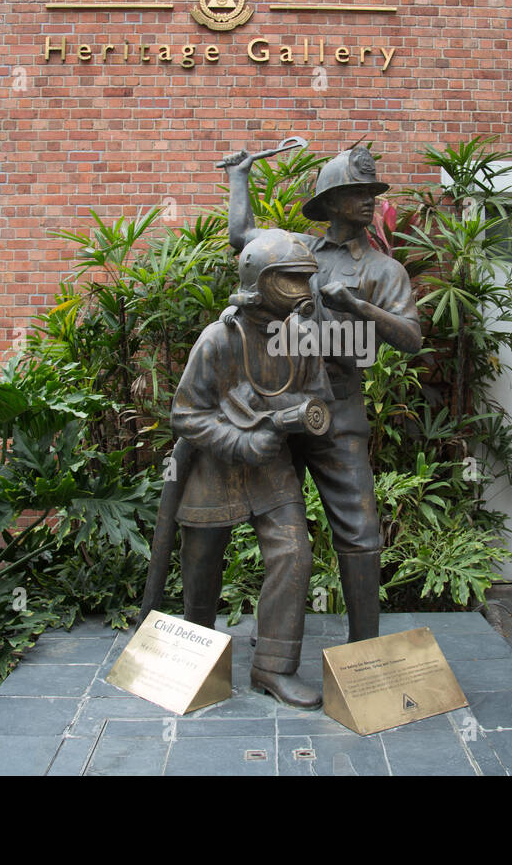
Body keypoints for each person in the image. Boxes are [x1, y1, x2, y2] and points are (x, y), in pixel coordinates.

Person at [225, 143, 422, 644]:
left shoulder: (384, 271)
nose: (367, 201)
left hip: (339, 409)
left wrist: (359, 309)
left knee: (359, 531)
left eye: (370, 194)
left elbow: (411, 339)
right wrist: (239, 177)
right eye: (354, 192)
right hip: (283, 406)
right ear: (330, 202)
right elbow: (243, 238)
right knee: (277, 527)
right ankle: (275, 634)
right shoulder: (299, 250)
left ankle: (365, 647)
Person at [162, 229, 333, 708]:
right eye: (291, 280)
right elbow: (185, 414)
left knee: (293, 554)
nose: (304, 293)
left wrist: (290, 416)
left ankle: (274, 668)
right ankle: (197, 655)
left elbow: (321, 400)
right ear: (261, 280)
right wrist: (239, 439)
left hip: (271, 469)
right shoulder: (218, 339)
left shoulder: (301, 338)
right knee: (200, 568)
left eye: (306, 280)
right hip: (213, 469)